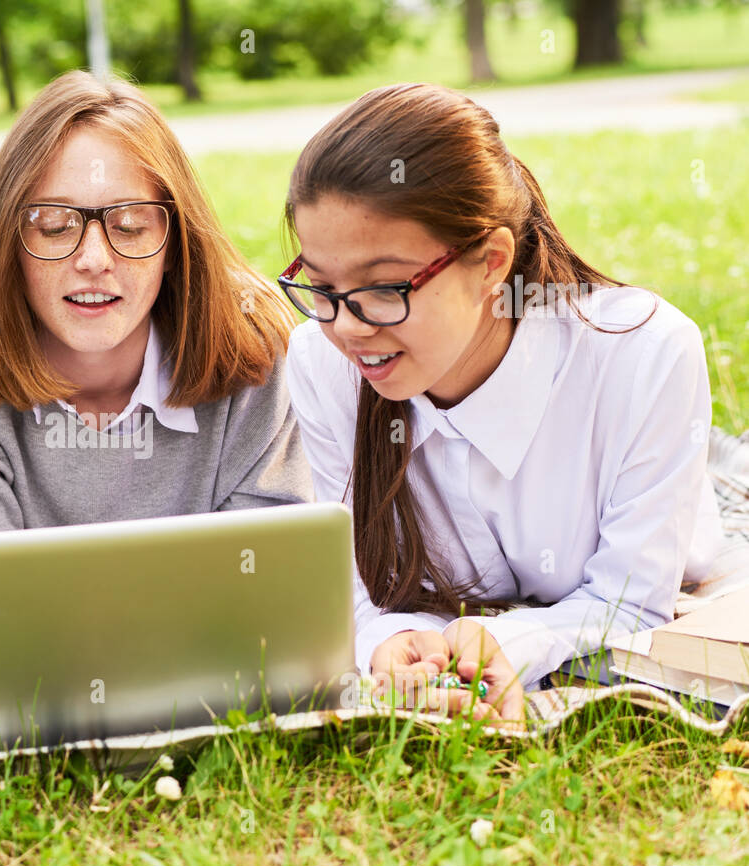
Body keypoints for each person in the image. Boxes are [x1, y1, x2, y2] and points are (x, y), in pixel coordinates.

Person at [280, 83, 727, 726]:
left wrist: (507, 645)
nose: (346, 327)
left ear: (491, 261)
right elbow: (348, 591)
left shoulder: (646, 353)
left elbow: (631, 599)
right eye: (321, 287)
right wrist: (388, 643)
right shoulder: (320, 362)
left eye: (382, 287)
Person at [0, 70, 312, 535]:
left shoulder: (250, 348)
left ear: (174, 245)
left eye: (130, 225)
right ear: (11, 244)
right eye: (54, 225)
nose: (93, 260)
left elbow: (267, 576)